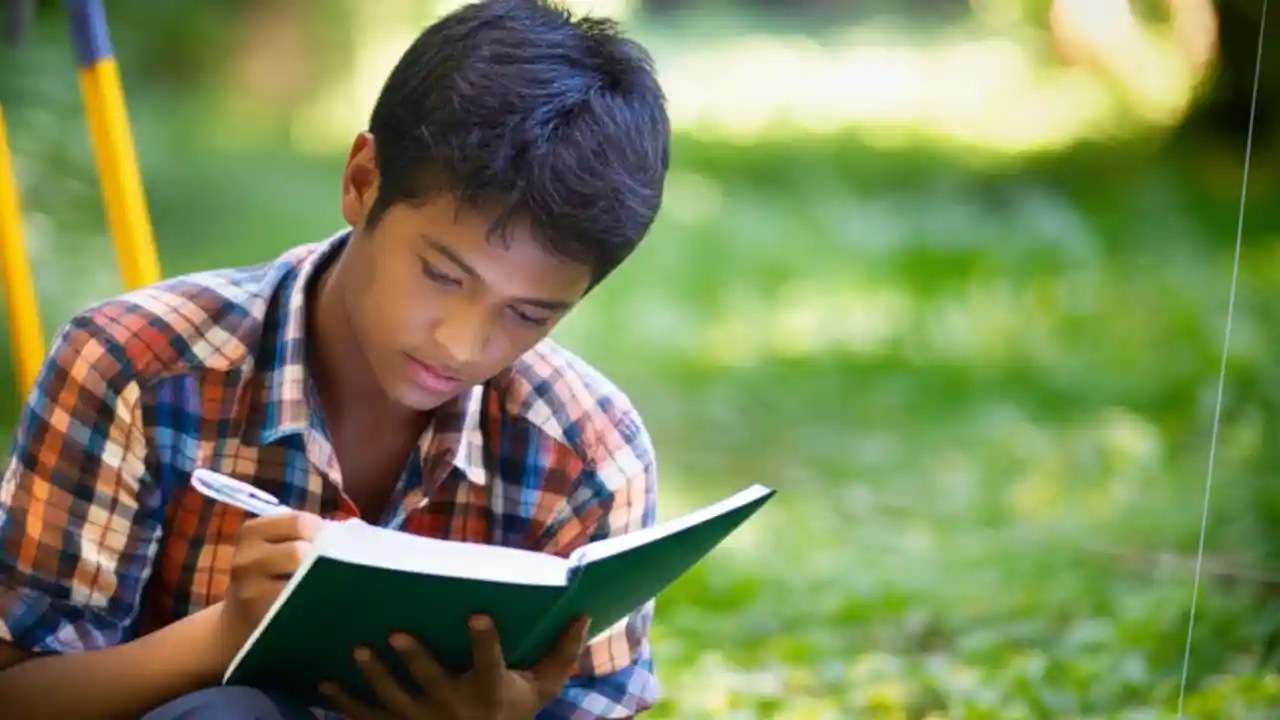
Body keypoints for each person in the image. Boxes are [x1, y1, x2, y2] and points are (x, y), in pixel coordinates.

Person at [0, 0, 670, 717]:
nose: (461, 343)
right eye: (442, 275)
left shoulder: (590, 455)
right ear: (362, 181)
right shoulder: (137, 367)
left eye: (529, 314)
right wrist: (220, 637)